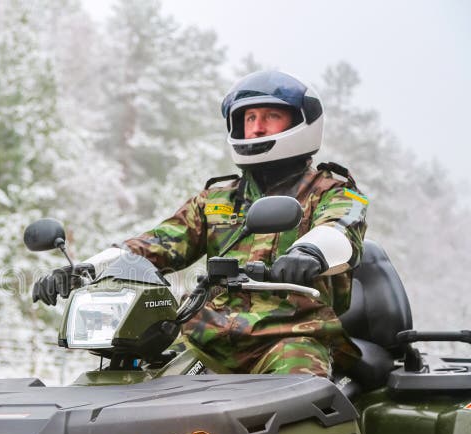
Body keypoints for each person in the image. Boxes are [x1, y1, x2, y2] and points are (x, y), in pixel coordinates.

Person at [33, 70, 368, 378]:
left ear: (301, 122)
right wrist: (87, 269)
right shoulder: (215, 199)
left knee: (300, 398)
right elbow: (157, 243)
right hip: (208, 339)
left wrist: (310, 252)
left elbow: (342, 226)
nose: (257, 128)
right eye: (249, 118)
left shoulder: (339, 190)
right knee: (135, 388)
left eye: (271, 116)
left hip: (289, 336)